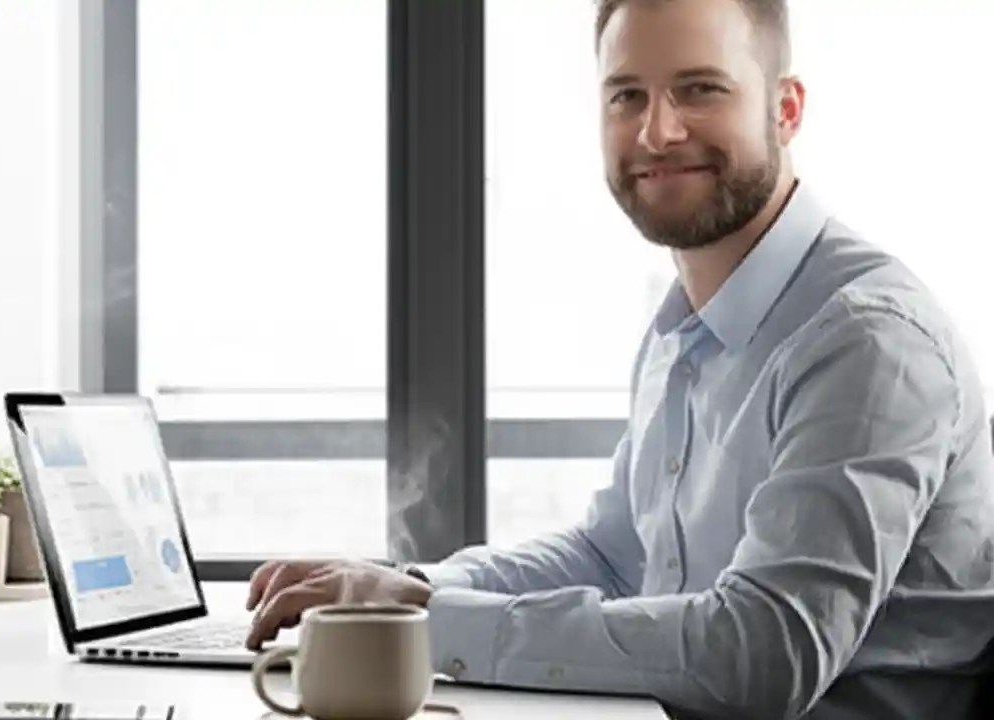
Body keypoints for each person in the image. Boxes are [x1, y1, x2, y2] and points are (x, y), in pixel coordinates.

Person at [244, 0, 994, 717]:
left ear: (785, 108)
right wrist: (402, 587)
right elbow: (614, 554)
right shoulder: (683, 328)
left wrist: (426, 619)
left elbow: (764, 655)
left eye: (699, 90)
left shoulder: (867, 342)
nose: (657, 132)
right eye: (626, 96)